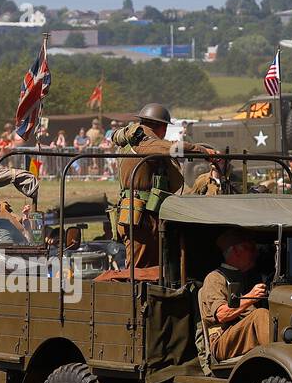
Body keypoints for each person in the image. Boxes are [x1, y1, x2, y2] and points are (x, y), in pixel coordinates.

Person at [110, 103, 208, 269]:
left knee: (149, 265)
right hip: (140, 219)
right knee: (140, 269)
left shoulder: (137, 141)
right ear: (161, 127)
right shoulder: (144, 142)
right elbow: (174, 149)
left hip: (144, 215)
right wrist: (203, 151)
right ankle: (137, 295)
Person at [198, 229, 271, 359]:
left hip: (244, 334)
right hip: (222, 340)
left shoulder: (251, 277)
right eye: (250, 248)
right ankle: (279, 359)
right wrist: (250, 298)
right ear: (236, 251)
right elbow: (221, 314)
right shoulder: (215, 278)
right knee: (260, 315)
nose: (255, 252)